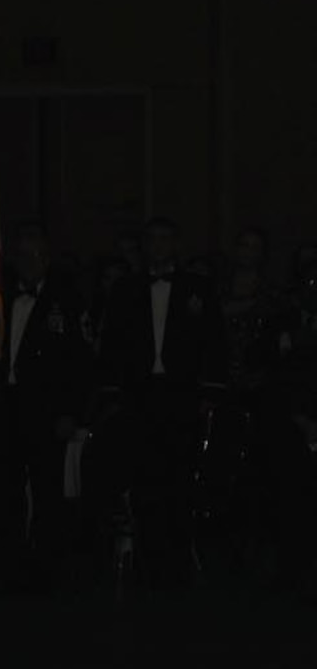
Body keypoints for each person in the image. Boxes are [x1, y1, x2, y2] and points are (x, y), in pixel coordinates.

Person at [91, 217, 227, 588]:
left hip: (181, 396)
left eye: (166, 239)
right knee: (145, 480)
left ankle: (177, 564)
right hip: (140, 395)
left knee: (179, 480)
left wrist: (208, 394)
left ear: (176, 245)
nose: (159, 246)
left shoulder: (197, 288)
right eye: (153, 240)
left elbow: (213, 343)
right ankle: (151, 564)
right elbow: (112, 344)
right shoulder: (126, 288)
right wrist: (113, 395)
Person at [0, 221, 93, 590]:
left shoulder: (66, 301)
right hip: (8, 407)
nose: (27, 262)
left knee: (48, 492)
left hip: (47, 410)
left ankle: (47, 569)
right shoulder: (1, 295)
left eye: (35, 255)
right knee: (7, 491)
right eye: (22, 255)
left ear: (47, 259)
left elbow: (80, 363)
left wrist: (70, 412)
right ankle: (9, 567)